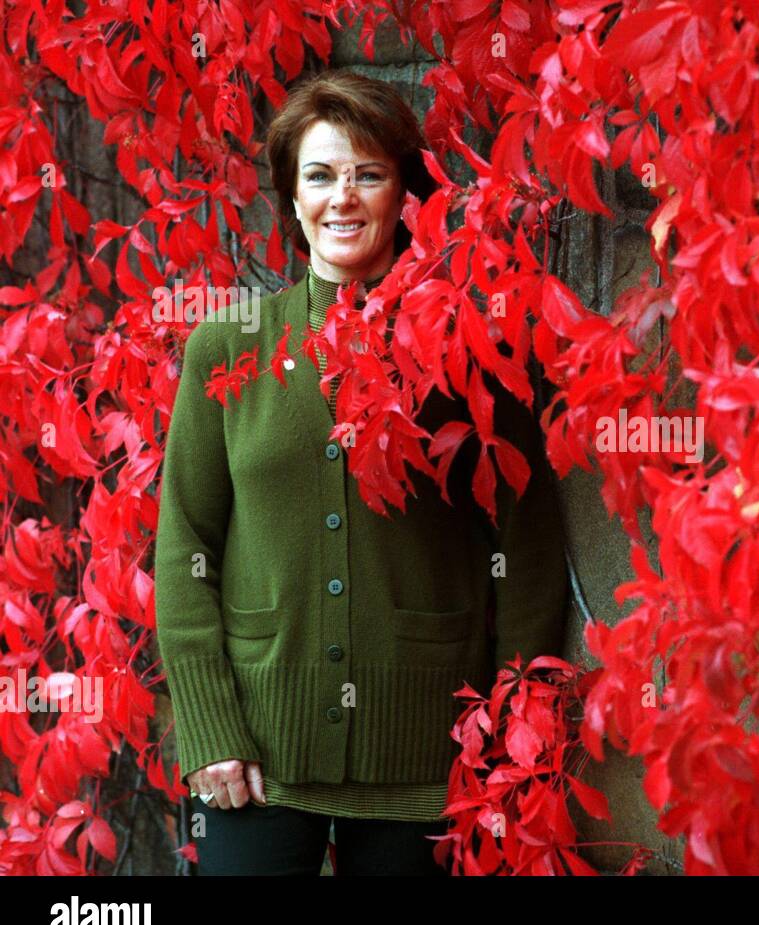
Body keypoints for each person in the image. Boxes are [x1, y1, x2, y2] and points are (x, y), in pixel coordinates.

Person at [153, 69, 569, 875]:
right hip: (259, 765)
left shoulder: (466, 347)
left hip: (431, 765)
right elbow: (184, 548)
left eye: (368, 174)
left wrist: (515, 737)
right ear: (292, 197)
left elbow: (528, 548)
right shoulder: (229, 346)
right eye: (320, 175)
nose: (342, 198)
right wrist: (210, 729)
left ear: (403, 194)